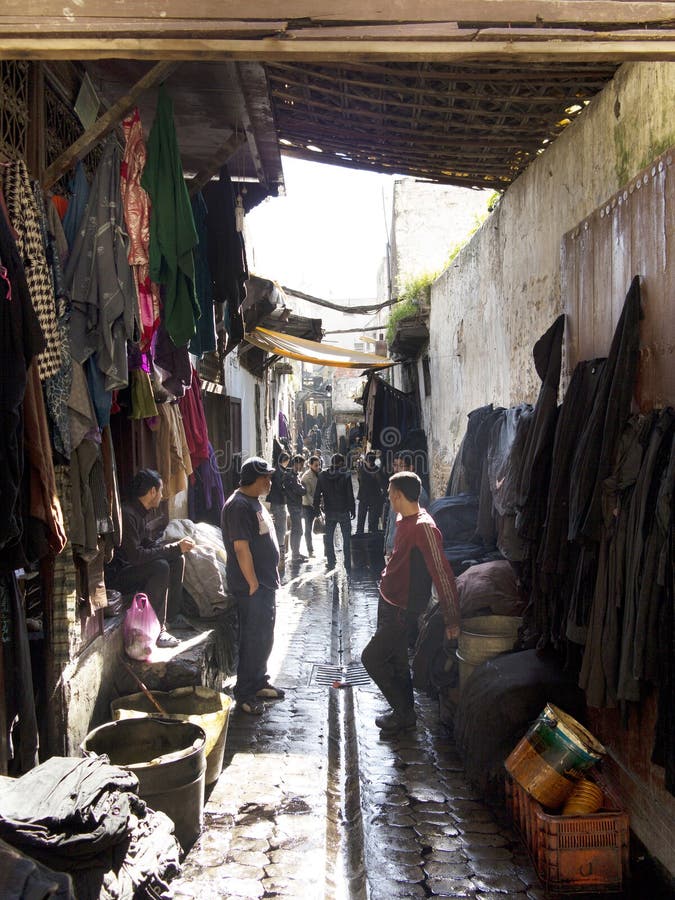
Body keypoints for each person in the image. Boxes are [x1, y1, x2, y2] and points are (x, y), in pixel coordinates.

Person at [361, 472, 459, 735]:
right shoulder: (403, 518)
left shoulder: (424, 527)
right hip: (389, 601)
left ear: (399, 496)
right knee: (396, 661)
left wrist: (452, 620)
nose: (390, 499)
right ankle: (405, 715)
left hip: (403, 610)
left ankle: (403, 711)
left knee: (371, 658)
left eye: (391, 495)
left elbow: (442, 573)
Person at [221, 456, 285, 715]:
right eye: (265, 478)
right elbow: (240, 547)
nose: (269, 482)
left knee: (264, 636)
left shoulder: (253, 502)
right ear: (253, 479)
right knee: (251, 638)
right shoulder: (238, 506)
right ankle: (245, 692)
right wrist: (252, 582)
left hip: (265, 584)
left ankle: (258, 681)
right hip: (252, 587)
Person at [106, 469, 195, 648]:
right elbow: (137, 556)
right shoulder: (128, 513)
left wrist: (175, 548)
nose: (162, 495)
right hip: (118, 577)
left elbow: (148, 545)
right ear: (152, 491)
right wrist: (174, 548)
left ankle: (171, 616)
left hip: (132, 568)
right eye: (161, 490)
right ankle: (156, 628)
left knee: (177, 559)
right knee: (161, 566)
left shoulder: (139, 512)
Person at [383, 450, 430, 561]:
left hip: (405, 554)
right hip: (393, 551)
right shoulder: (396, 489)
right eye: (395, 465)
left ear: (411, 468)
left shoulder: (418, 493)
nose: (396, 470)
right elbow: (392, 523)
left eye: (401, 466)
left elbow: (414, 528)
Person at [313, 453, 355, 572]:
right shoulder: (346, 475)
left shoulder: (322, 476)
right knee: (346, 538)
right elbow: (349, 495)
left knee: (328, 538)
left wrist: (316, 509)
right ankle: (347, 562)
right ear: (341, 463)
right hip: (343, 511)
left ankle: (331, 562)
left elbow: (317, 495)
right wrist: (352, 509)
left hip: (330, 511)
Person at [266, 450, 289, 561]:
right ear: (284, 461)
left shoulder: (277, 470)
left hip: (276, 502)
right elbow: (281, 488)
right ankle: (280, 551)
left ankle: (278, 550)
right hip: (278, 502)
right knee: (281, 528)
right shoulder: (279, 472)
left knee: (278, 527)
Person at [284, 454, 307, 561]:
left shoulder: (293, 475)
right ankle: (295, 555)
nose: (302, 467)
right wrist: (303, 487)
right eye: (301, 464)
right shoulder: (291, 476)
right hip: (293, 505)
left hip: (295, 504)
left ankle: (296, 553)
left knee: (297, 530)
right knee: (297, 530)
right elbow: (301, 490)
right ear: (296, 464)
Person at [356, 451, 386, 533]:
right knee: (366, 523)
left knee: (368, 523)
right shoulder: (369, 469)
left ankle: (364, 540)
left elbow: (381, 483)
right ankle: (366, 540)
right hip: (369, 498)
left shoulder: (363, 469)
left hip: (370, 498)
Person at [301, 455, 321, 556]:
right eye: (316, 465)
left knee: (322, 525)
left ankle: (327, 551)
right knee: (308, 529)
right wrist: (315, 505)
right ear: (310, 465)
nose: (318, 467)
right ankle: (310, 550)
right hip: (308, 506)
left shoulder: (319, 474)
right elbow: (307, 495)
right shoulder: (306, 477)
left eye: (319, 465)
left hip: (316, 504)